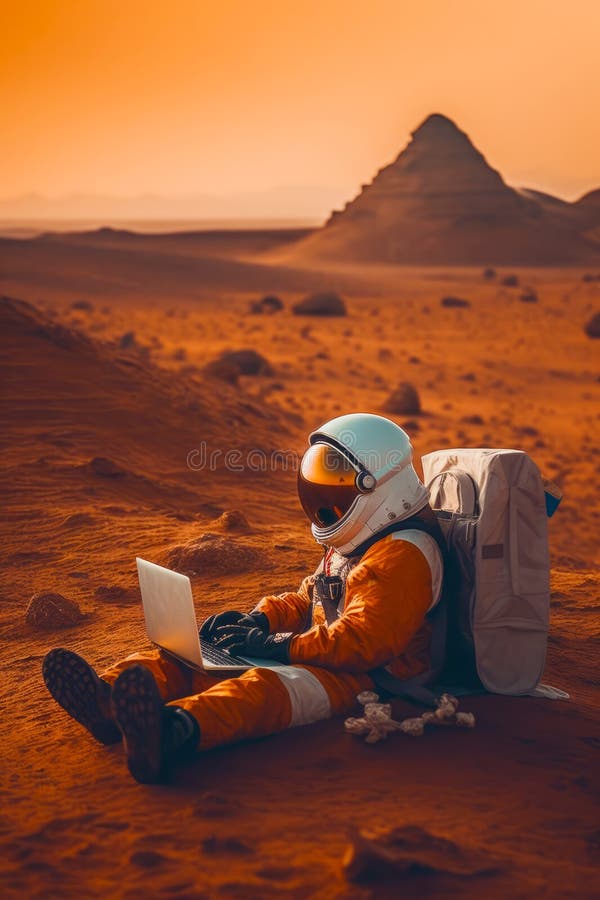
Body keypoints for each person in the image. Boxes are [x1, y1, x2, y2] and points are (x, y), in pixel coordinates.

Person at [43, 413, 445, 784]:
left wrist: (278, 646)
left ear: (379, 486)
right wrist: (258, 621)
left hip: (371, 674)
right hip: (321, 651)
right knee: (197, 658)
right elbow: (312, 596)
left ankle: (170, 733)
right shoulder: (362, 538)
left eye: (339, 485)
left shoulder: (403, 555)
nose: (327, 501)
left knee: (266, 689)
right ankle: (107, 700)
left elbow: (364, 643)